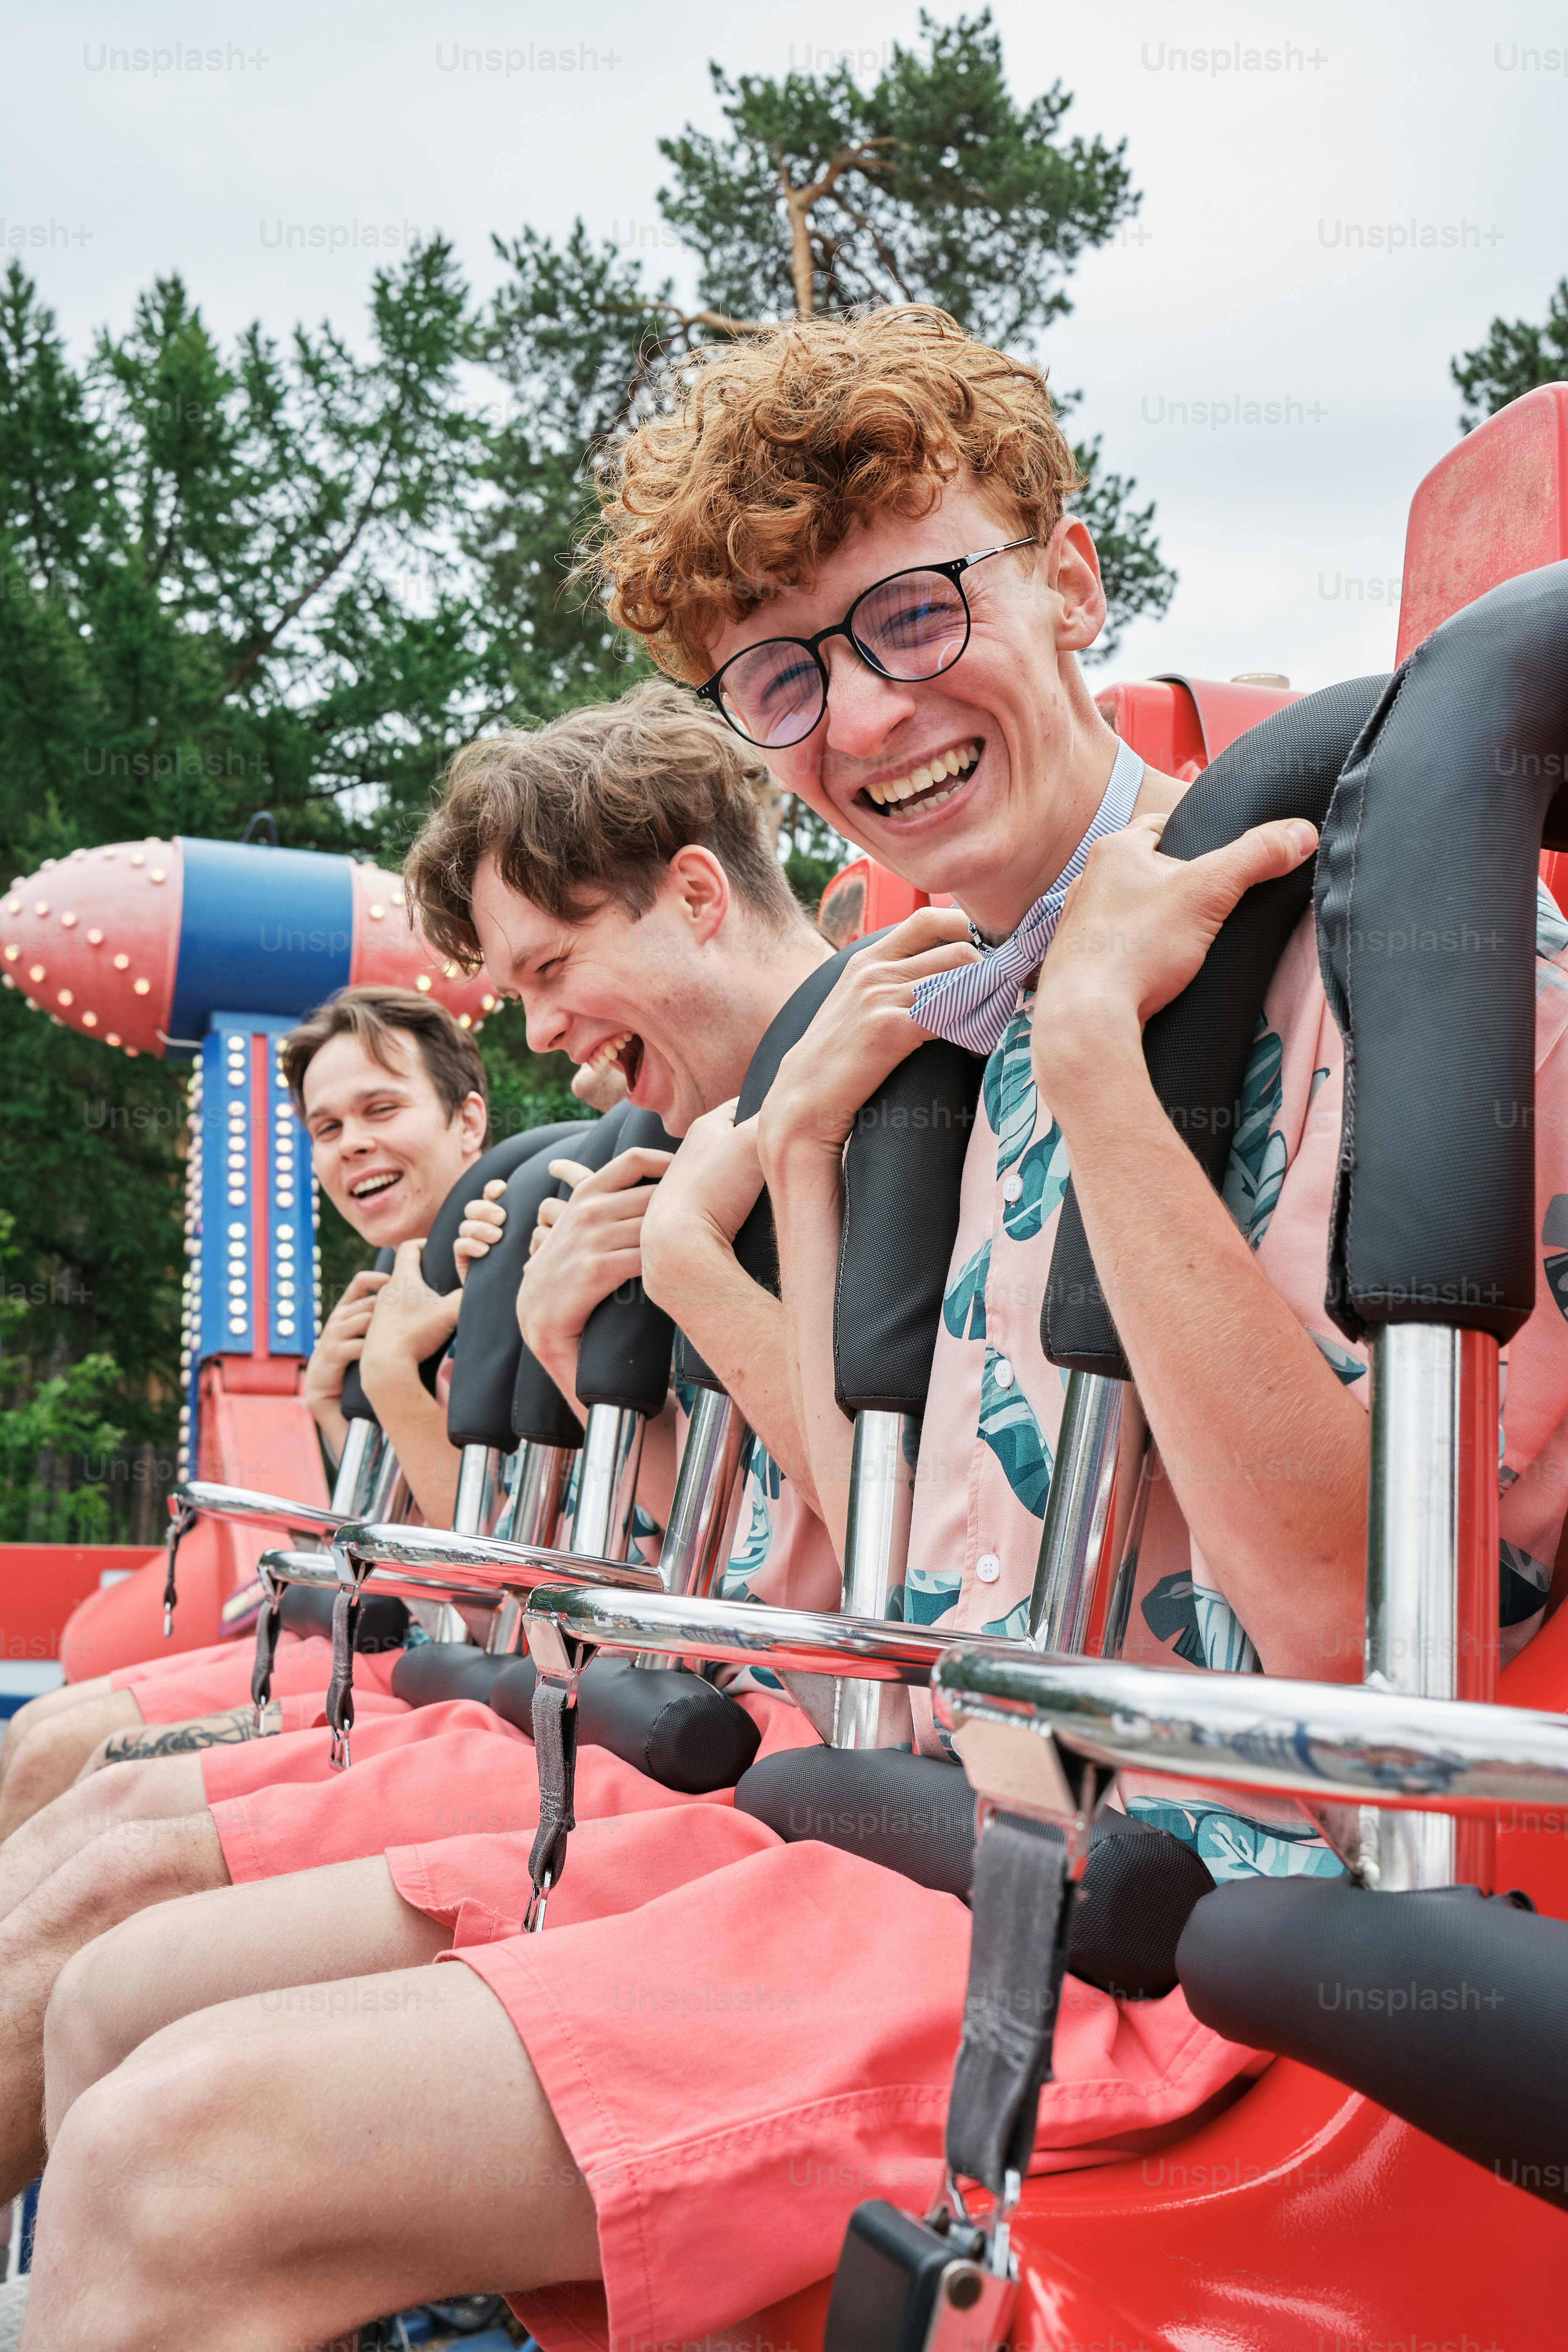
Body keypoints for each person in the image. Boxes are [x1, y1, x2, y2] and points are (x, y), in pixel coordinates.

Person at [31, 304, 1568, 2352]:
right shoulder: (944, 1051)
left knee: (183, 2148)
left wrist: (1102, 1067)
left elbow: (1349, 1640)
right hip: (926, 1845)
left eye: (913, 617)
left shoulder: (1395, 947)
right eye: (783, 675)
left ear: (1071, 578)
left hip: (1192, 1950)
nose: (860, 715)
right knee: (125, 2001)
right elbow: (897, 1577)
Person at [0, 684, 838, 2207]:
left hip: (702, 1760)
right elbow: (656, 1557)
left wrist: (425, 1381)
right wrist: (379, 1398)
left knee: (119, 1952)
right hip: (640, 1704)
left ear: (471, 1128)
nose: (538, 1032)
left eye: (550, 973)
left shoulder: (791, 1133)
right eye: (321, 1130)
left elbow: (548, 1603)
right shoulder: (668, 1174)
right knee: (67, 1766)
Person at [0, 988, 498, 1836]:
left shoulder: (507, 1257)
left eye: (382, 1107)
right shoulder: (397, 1285)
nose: (354, 1144)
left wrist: (387, 1383)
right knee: (39, 1731)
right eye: (327, 1127)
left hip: (447, 1676)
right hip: (373, 1643)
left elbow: (494, 1583)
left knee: (89, 1768)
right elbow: (393, 1530)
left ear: (466, 1121)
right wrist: (335, 1409)